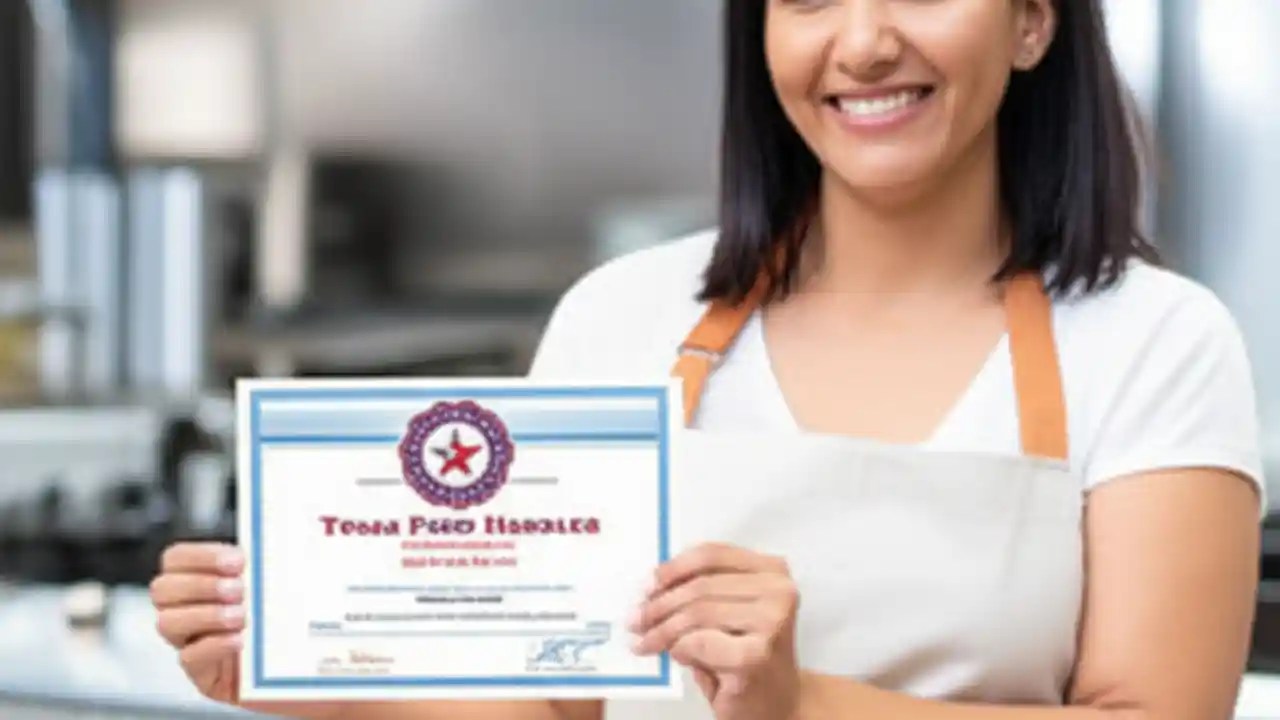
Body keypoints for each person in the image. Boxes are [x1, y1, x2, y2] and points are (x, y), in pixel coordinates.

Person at [151, 0, 1266, 718]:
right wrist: (323, 674)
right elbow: (549, 706)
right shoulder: (619, 317)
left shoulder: (1152, 342)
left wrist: (802, 705)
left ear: (1030, 22)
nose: (864, 40)